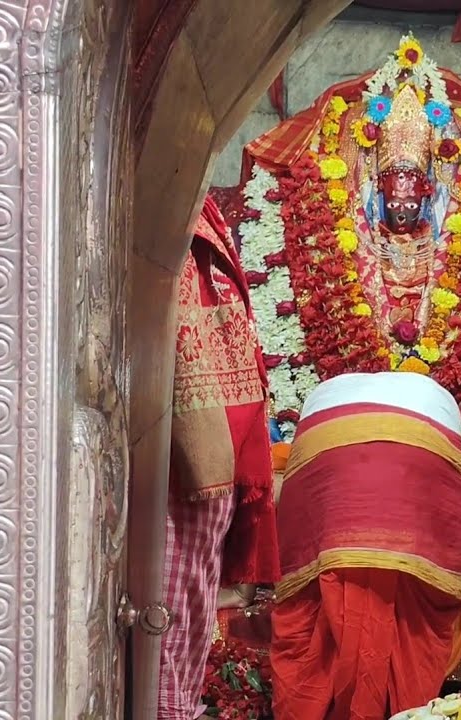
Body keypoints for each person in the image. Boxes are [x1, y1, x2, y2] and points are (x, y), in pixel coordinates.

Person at [228, 34, 461, 615]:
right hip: (395, 451)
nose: (403, 204)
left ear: (437, 182)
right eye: (390, 187)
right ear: (369, 181)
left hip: (438, 439)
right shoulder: (333, 221)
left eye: (415, 188)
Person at [269, 372, 461, 719]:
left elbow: (253, 506)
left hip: (323, 438)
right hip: (422, 440)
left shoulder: (295, 478)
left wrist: (242, 591)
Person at [159, 197, 280, 719]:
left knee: (176, 628)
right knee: (172, 628)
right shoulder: (183, 220)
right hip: (185, 457)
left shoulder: (192, 218)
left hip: (199, 457)